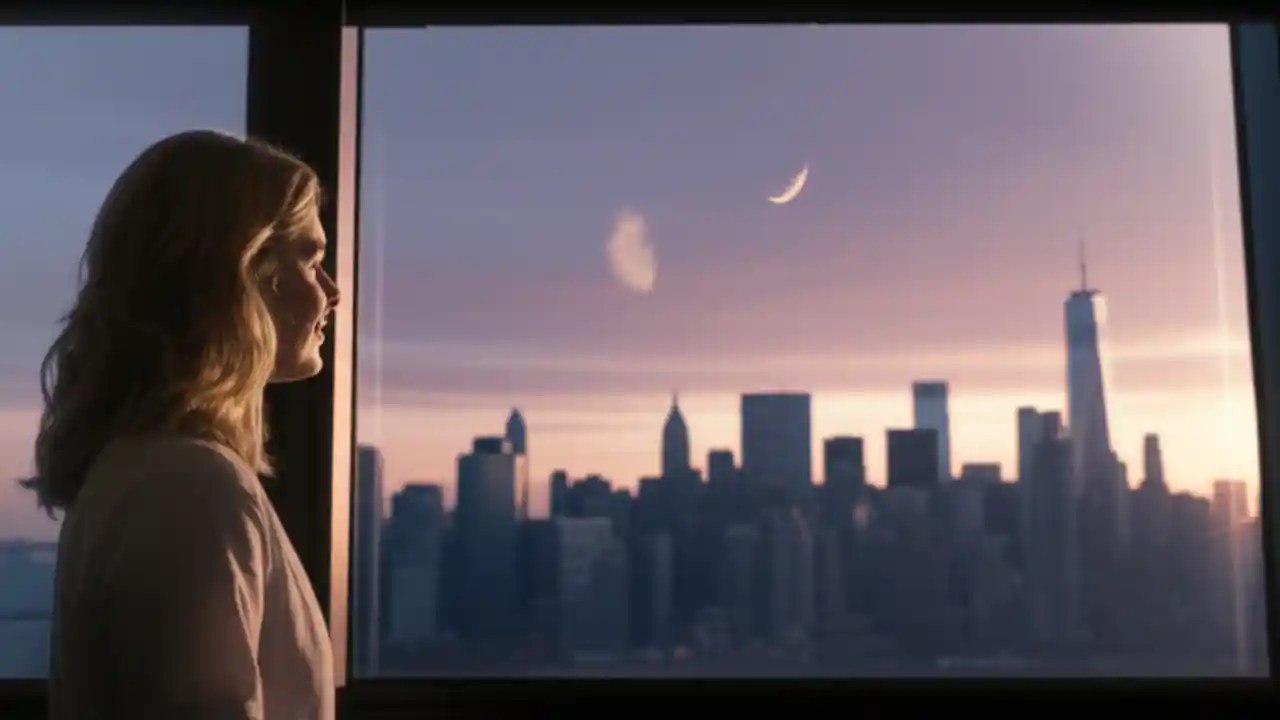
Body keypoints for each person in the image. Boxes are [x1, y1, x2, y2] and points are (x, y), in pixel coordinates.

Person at [22, 129, 341, 719]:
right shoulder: (188, 489)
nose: (332, 292)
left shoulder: (158, 473)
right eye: (314, 258)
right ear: (244, 271)